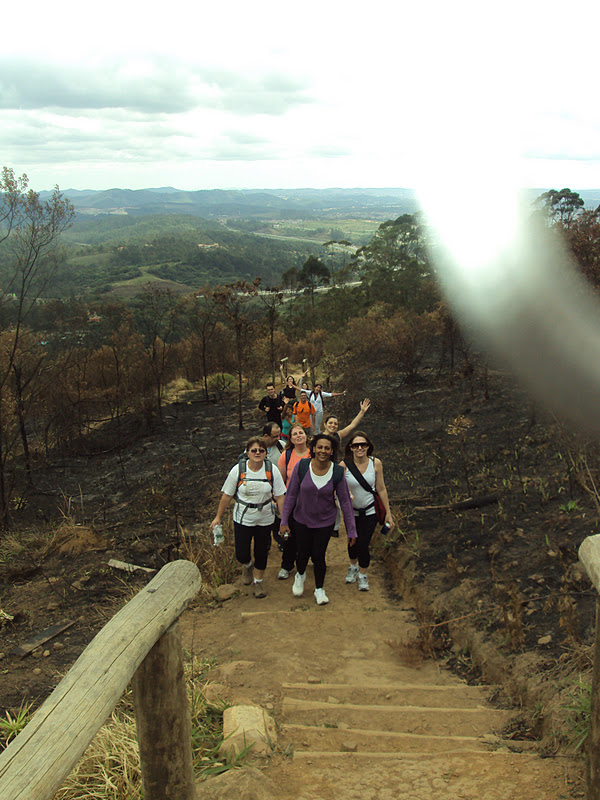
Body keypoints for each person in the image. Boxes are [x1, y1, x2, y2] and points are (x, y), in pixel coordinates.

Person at [280, 433, 357, 605]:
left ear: (332, 451)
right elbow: (291, 495)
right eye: (320, 447)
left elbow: (345, 502)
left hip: (325, 522)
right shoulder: (302, 467)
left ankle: (319, 589)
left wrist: (351, 530)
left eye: (327, 448)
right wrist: (284, 521)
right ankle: (300, 575)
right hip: (301, 519)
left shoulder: (337, 472)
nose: (323, 451)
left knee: (318, 555)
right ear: (313, 449)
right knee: (302, 553)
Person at [210, 436, 286, 598]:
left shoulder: (272, 470)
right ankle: (247, 565)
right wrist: (218, 517)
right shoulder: (238, 470)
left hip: (265, 518)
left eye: (261, 450)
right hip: (243, 518)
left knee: (262, 551)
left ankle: (258, 582)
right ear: (247, 452)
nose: (257, 453)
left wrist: (284, 520)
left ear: (266, 453)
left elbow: (280, 497)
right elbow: (226, 496)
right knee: (242, 553)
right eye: (254, 450)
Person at [340, 431, 394, 592]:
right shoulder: (344, 466)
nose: (359, 448)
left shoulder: (375, 463)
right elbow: (337, 488)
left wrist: (388, 513)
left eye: (363, 445)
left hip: (370, 511)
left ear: (368, 446)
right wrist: (345, 495)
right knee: (352, 541)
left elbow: (381, 488)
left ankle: (363, 574)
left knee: (363, 544)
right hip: (351, 512)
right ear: (351, 447)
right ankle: (353, 566)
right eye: (356, 445)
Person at [275, 423, 311, 579]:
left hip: (311, 501)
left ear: (306, 435)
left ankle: (305, 563)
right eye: (295, 434)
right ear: (290, 438)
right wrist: (279, 500)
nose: (298, 436)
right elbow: (281, 480)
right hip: (292, 500)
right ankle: (287, 565)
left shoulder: (314, 454)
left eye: (301, 432)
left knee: (308, 534)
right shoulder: (286, 455)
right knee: (290, 534)